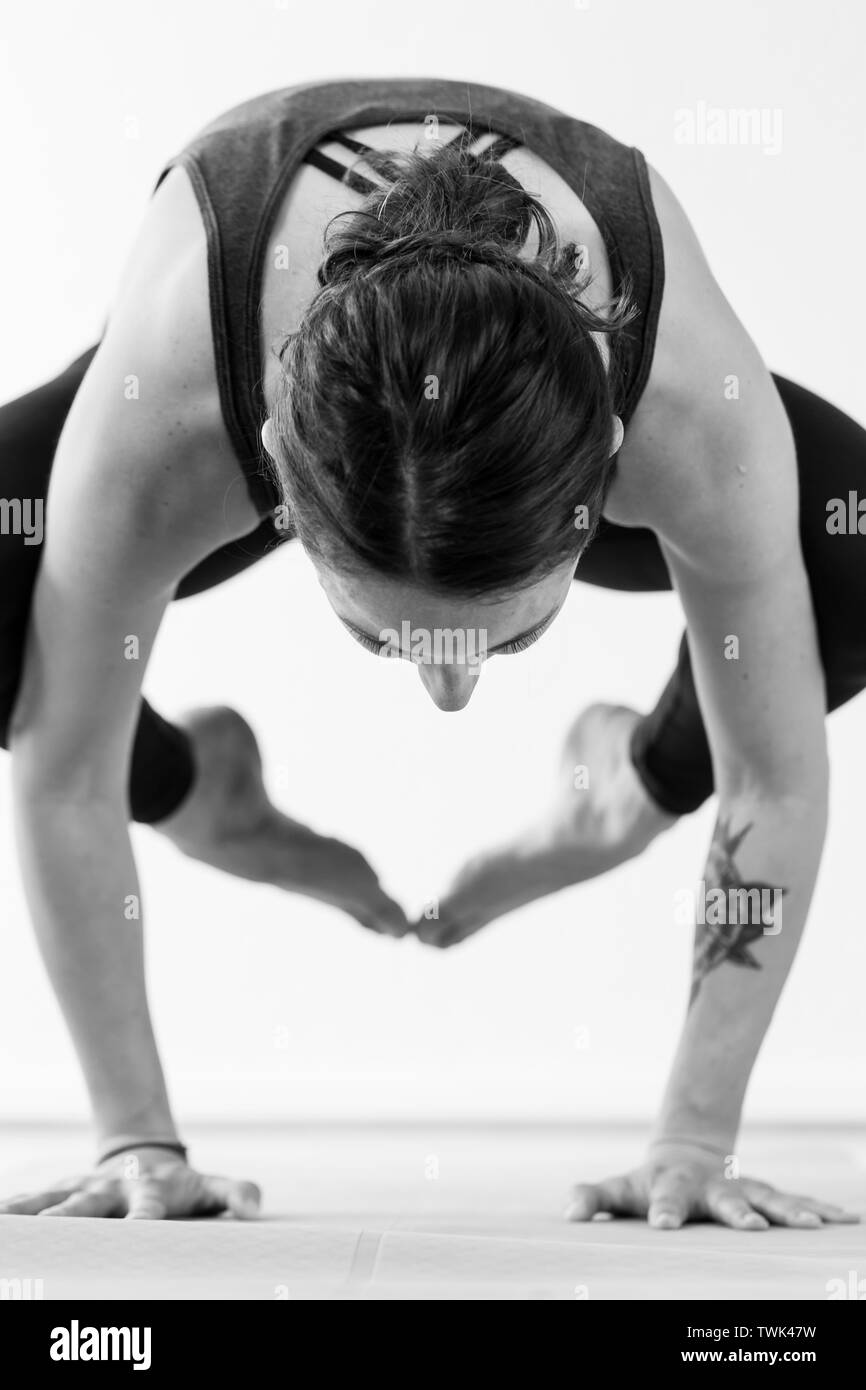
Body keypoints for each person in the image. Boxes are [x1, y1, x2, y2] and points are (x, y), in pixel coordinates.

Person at [0, 78, 861, 1229]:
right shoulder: (169, 424)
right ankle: (206, 794)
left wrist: (693, 1142)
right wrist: (135, 1140)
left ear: (608, 456)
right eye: (377, 630)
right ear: (272, 479)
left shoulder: (692, 419)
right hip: (225, 359)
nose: (446, 690)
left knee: (847, 566)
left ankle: (627, 781)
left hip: (580, 411)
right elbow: (61, 778)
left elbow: (776, 774)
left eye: (511, 633)